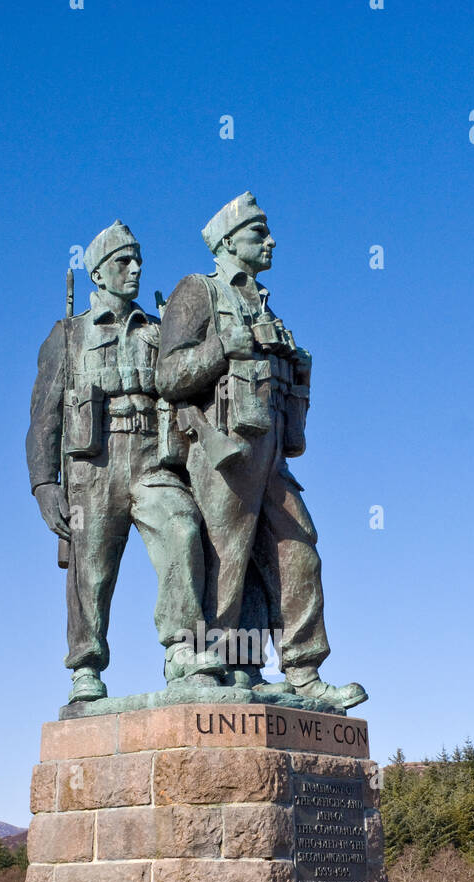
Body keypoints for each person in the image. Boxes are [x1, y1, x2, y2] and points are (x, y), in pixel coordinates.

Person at [156, 193, 367, 709]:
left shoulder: (265, 302)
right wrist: (220, 348)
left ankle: (304, 670)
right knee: (226, 555)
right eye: (258, 233)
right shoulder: (197, 291)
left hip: (271, 447)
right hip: (224, 446)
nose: (270, 241)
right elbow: (167, 375)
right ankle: (209, 664)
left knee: (300, 548)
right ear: (229, 242)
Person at [26, 220, 225, 702]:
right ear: (97, 274)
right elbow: (43, 416)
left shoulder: (158, 330)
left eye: (137, 260)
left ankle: (182, 648)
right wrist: (43, 483)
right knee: (91, 570)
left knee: (182, 529)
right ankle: (86, 667)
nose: (134, 268)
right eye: (123, 262)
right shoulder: (68, 336)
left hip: (153, 459)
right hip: (92, 466)